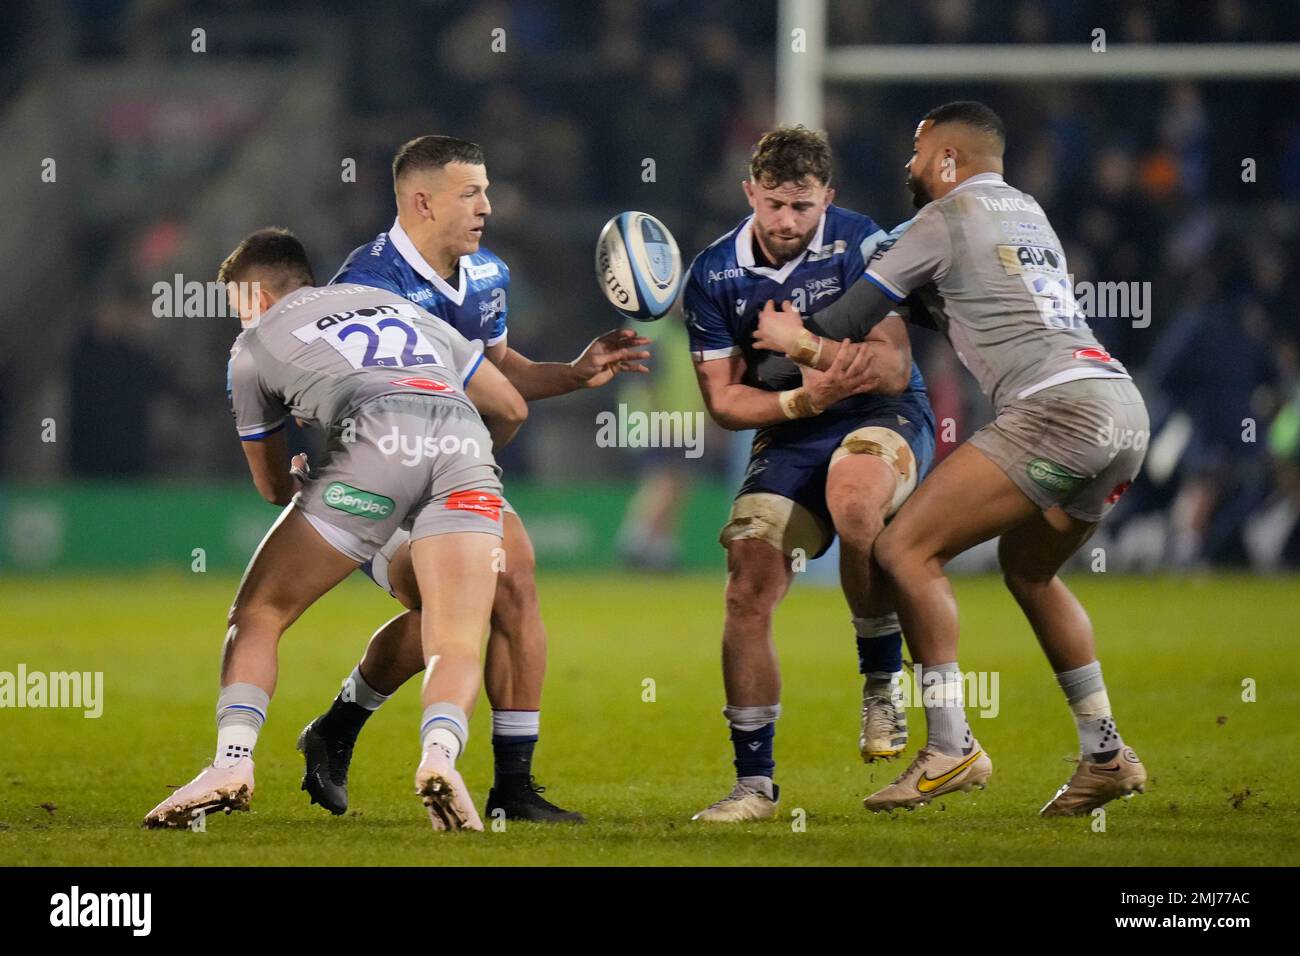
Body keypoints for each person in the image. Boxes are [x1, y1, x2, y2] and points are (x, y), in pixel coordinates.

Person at [755, 101, 1148, 816]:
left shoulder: (942, 218)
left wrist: (779, 351)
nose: (908, 165)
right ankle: (1106, 754)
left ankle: (949, 745)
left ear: (946, 160)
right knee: (1029, 571)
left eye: (916, 150)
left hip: (1057, 408)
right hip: (1121, 406)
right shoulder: (1027, 212)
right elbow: (962, 307)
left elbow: (849, 316)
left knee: (905, 548)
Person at [298, 136, 649, 824]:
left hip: (448, 471)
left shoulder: (486, 274)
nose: (488, 205)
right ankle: (340, 725)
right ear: (422, 201)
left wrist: (573, 373)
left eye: (487, 190)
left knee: (508, 578)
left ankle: (512, 789)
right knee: (450, 603)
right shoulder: (367, 288)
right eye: (471, 193)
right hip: (375, 480)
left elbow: (501, 372)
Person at [144, 228, 527, 832]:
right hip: (464, 443)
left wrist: (320, 483)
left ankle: (231, 764)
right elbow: (510, 407)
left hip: (372, 448)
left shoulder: (254, 342)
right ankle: (440, 761)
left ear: (256, 298)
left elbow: (271, 485)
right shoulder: (399, 306)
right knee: (453, 634)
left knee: (261, 611)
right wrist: (464, 463)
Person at [686, 126, 936, 822]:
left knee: (854, 499)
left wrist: (806, 347)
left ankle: (881, 678)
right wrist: (804, 398)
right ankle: (754, 785)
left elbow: (889, 366)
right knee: (747, 577)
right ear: (750, 195)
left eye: (803, 206)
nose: (788, 222)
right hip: (794, 428)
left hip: (883, 414)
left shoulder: (862, 244)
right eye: (773, 205)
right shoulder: (712, 274)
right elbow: (724, 401)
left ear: (828, 197)